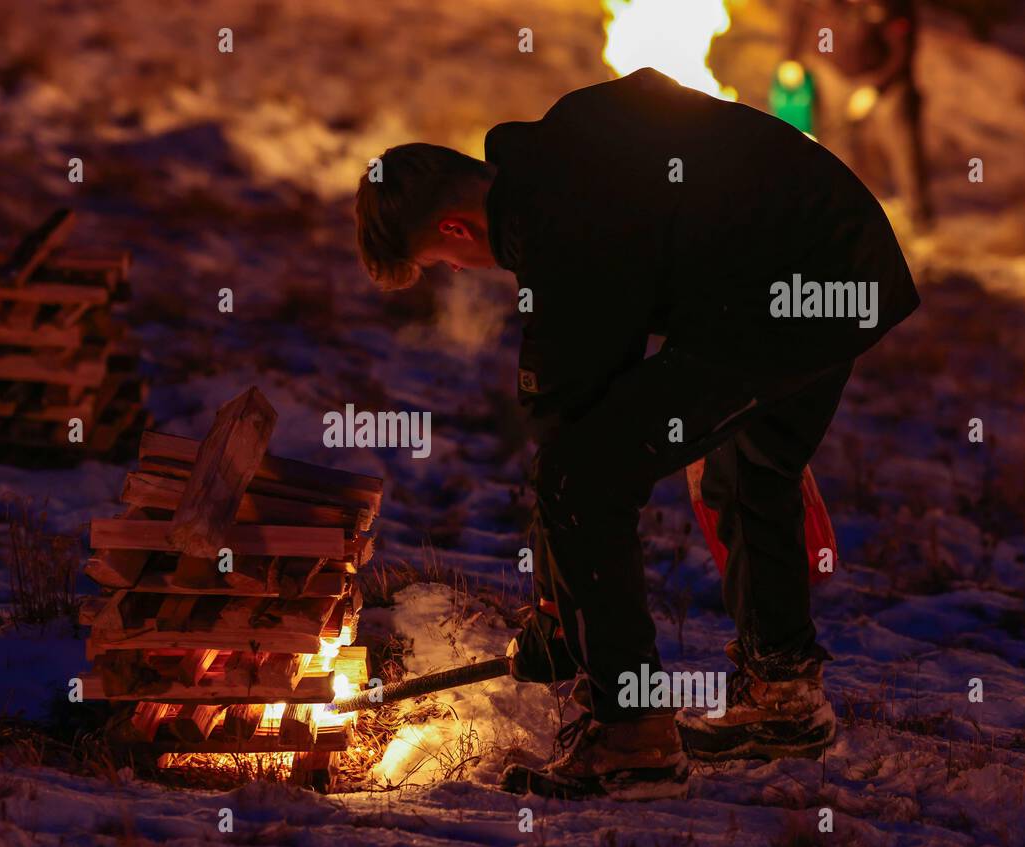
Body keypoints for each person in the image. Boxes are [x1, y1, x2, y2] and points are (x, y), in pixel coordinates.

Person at [353, 68, 920, 799]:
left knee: (583, 479)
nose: (462, 271)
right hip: (846, 258)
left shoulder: (558, 216)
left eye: (442, 263)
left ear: (454, 229)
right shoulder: (559, 163)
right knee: (750, 462)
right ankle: (782, 693)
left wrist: (561, 615)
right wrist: (558, 607)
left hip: (793, 283)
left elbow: (569, 423)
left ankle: (633, 732)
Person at [784, 0, 934, 228]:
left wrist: (876, 89)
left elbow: (903, 51)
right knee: (836, 149)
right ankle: (844, 215)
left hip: (884, 79)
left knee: (902, 149)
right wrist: (789, 59)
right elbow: (796, 16)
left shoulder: (891, 6)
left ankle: (919, 220)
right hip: (832, 73)